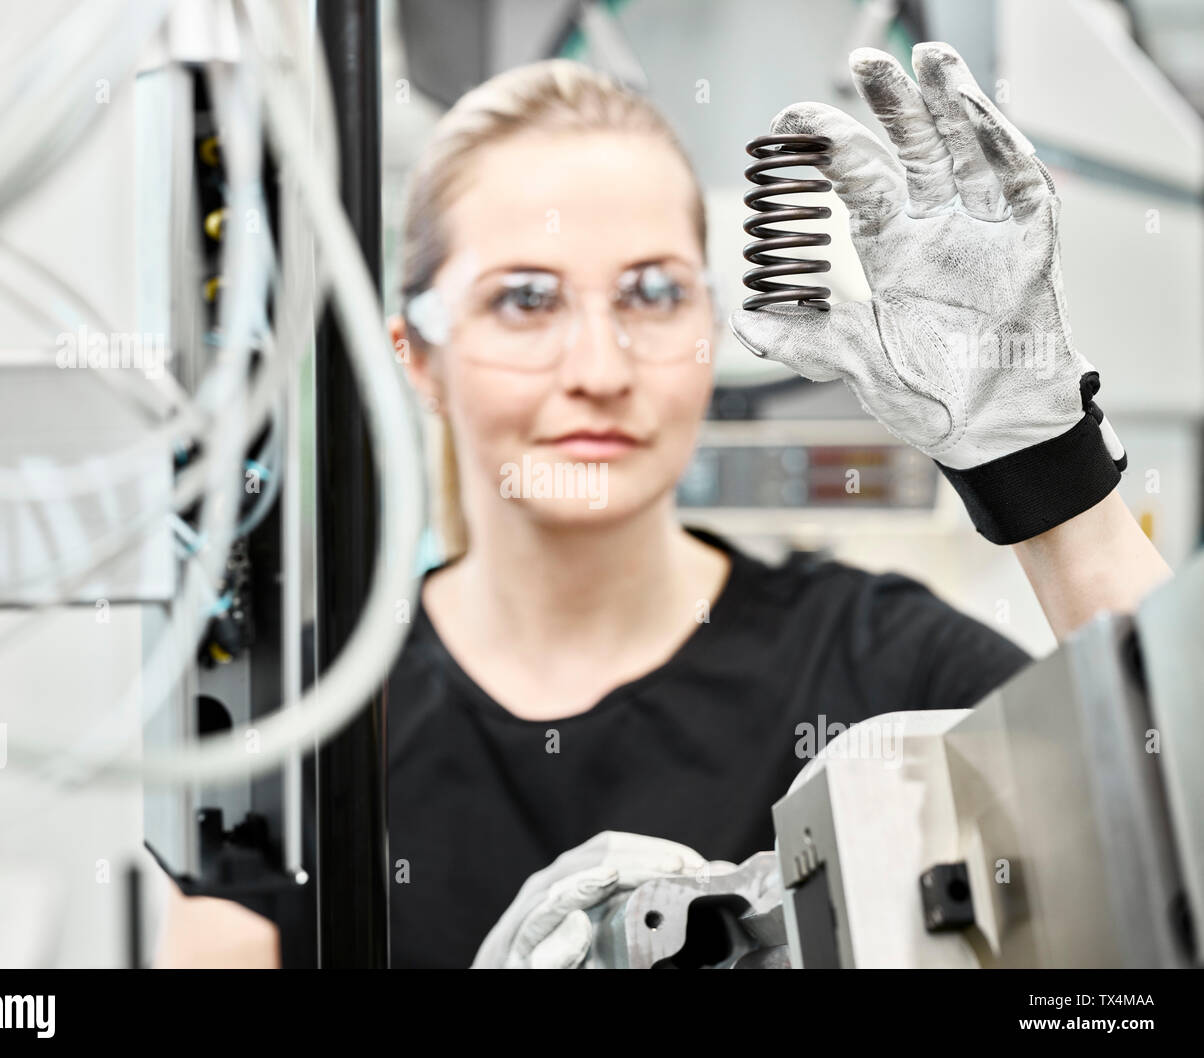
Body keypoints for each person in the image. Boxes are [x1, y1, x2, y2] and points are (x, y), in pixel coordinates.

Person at [384, 46, 1172, 969]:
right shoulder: (310, 726)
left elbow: (1176, 838)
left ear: (711, 325)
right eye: (525, 300)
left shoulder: (886, 663)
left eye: (651, 292)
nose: (598, 371)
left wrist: (1047, 472)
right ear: (420, 356)